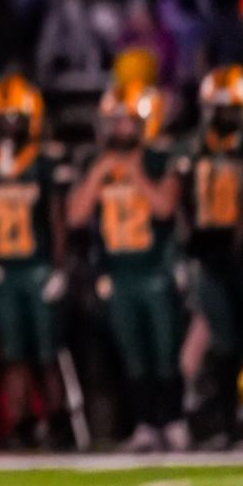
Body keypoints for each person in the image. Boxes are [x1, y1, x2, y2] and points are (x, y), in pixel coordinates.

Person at [65, 81, 187, 450]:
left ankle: (173, 419)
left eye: (125, 121)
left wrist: (135, 174)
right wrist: (98, 174)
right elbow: (75, 215)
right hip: (118, 273)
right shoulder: (95, 163)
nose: (118, 128)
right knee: (133, 356)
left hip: (156, 269)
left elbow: (165, 208)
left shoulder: (160, 158)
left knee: (165, 353)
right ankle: (146, 422)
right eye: (113, 121)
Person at [0, 76, 75, 448]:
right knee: (13, 355)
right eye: (0, 118)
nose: (6, 127)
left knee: (48, 353)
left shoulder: (46, 160)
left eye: (13, 118)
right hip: (5, 270)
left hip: (38, 267)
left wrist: (60, 267)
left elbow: (58, 218)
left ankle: (59, 421)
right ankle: (20, 424)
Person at [175, 67, 243, 444]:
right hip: (210, 257)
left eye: (229, 108)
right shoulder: (192, 147)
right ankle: (227, 421)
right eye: (216, 108)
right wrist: (186, 246)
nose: (222, 116)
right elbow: (180, 201)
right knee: (224, 343)